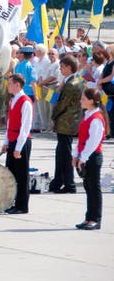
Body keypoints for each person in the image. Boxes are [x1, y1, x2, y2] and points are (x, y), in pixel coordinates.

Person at [73, 88, 107, 230]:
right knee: (88, 187)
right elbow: (81, 138)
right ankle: (89, 217)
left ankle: (95, 219)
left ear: (92, 101)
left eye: (84, 99)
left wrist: (83, 158)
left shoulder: (96, 118)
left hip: (92, 157)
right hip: (85, 156)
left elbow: (93, 141)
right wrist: (75, 155)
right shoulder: (87, 115)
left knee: (94, 187)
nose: (81, 101)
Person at [50, 55, 84, 193]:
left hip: (66, 122)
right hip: (69, 121)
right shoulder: (76, 80)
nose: (61, 69)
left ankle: (69, 183)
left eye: (62, 67)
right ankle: (58, 181)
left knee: (64, 154)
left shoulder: (71, 84)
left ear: (69, 67)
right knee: (61, 153)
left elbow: (62, 104)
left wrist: (53, 117)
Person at [3, 74, 33, 214]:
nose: (8, 86)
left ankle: (22, 205)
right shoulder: (13, 100)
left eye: (10, 83)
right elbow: (10, 123)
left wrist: (18, 148)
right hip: (13, 139)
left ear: (17, 85)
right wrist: (6, 141)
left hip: (21, 141)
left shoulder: (25, 101)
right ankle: (13, 202)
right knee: (11, 173)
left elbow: (25, 127)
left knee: (21, 175)